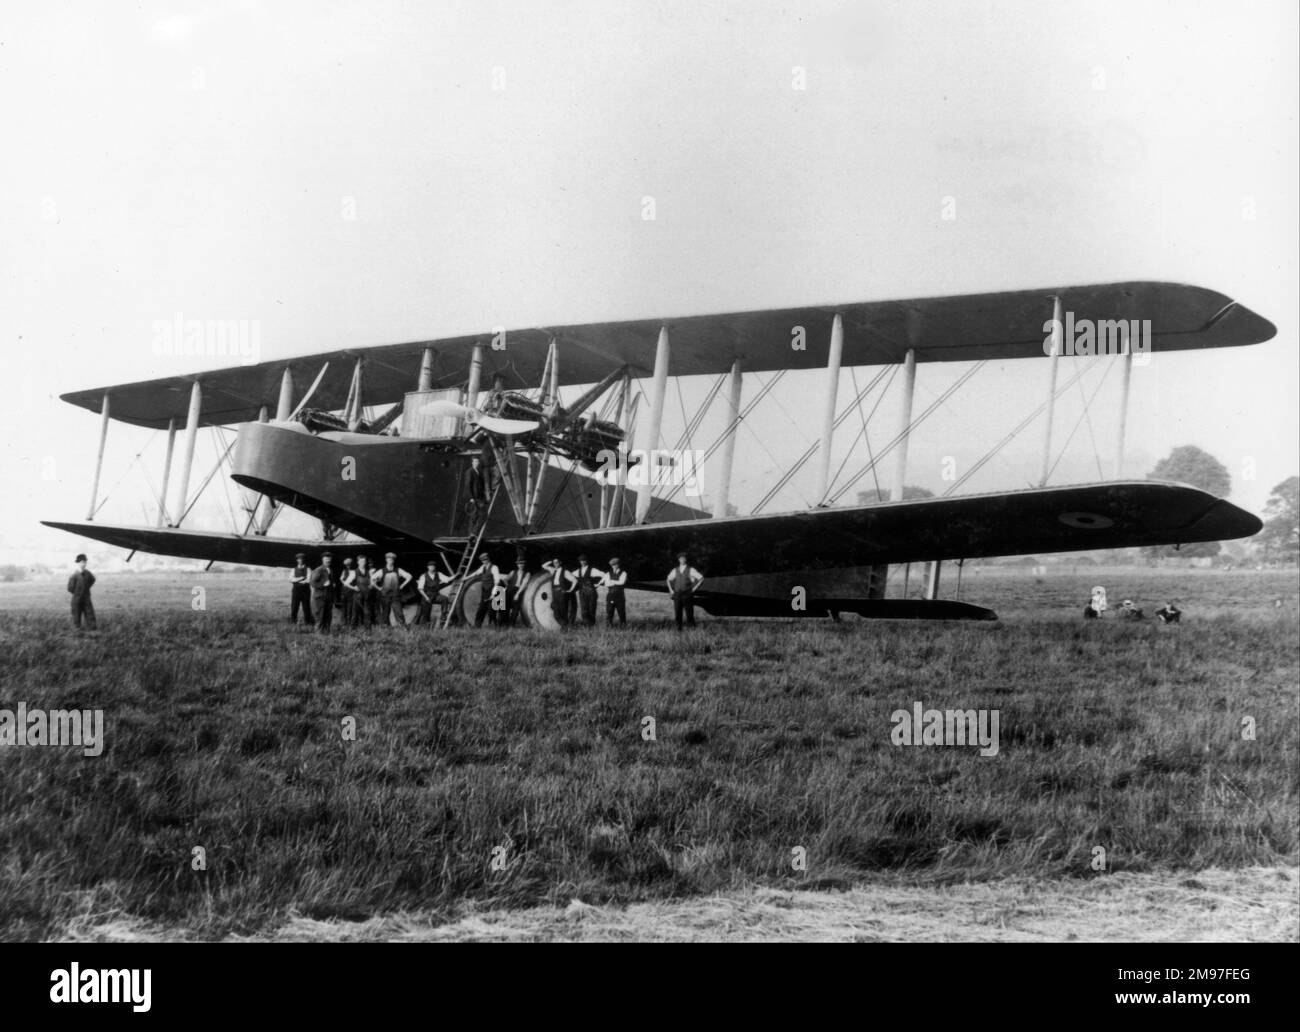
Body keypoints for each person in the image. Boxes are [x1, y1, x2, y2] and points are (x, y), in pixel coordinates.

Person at [666, 552, 704, 630]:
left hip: (687, 594)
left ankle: (692, 630)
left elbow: (701, 578)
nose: (682, 560)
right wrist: (671, 590)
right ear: (679, 560)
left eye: (684, 558)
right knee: (677, 613)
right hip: (677, 594)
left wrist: (694, 589)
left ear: (686, 559)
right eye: (681, 558)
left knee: (689, 613)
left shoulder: (691, 569)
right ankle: (678, 630)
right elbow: (668, 579)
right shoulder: (675, 570)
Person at [376, 552, 413, 628]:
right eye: (389, 559)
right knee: (385, 613)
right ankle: (385, 628)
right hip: (385, 596)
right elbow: (372, 580)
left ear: (394, 561)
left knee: (399, 612)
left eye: (392, 560)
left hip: (395, 596)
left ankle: (403, 628)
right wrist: (379, 588)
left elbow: (409, 576)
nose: (390, 561)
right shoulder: (381, 571)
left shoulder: (398, 570)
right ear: (386, 560)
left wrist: (402, 585)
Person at [472, 552, 504, 628]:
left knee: (493, 610)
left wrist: (493, 594)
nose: (484, 561)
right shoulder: (483, 567)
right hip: (485, 591)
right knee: (481, 609)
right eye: (483, 560)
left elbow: (497, 581)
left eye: (485, 560)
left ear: (488, 559)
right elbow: (476, 573)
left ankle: (497, 627)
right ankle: (477, 627)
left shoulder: (494, 567)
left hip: (494, 589)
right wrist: (466, 578)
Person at [542, 556, 575, 626]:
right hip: (555, 592)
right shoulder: (553, 570)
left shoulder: (565, 571)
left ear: (560, 563)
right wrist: (551, 561)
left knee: (563, 611)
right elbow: (544, 566)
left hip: (562, 592)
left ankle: (565, 628)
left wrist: (570, 590)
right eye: (554, 563)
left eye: (557, 562)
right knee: (556, 613)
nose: (555, 564)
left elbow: (574, 580)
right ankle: (564, 625)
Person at [67, 553, 97, 630]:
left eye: (85, 562)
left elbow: (92, 580)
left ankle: (92, 629)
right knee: (76, 614)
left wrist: (86, 588)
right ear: (78, 563)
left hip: (86, 598)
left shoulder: (88, 573)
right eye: (82, 562)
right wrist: (78, 592)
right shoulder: (74, 575)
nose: (83, 564)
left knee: (90, 613)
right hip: (77, 599)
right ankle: (77, 629)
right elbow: (70, 588)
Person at [573, 554, 602, 626]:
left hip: (591, 592)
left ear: (587, 561)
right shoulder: (577, 571)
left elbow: (604, 575)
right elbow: (569, 575)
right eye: (581, 561)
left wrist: (598, 584)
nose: (582, 562)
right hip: (582, 593)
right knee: (584, 610)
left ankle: (591, 625)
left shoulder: (592, 570)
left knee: (591, 609)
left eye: (584, 560)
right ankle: (586, 625)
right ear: (579, 562)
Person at [310, 552, 336, 633]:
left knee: (328, 616)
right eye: (326, 559)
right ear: (322, 559)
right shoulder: (319, 570)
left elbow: (329, 582)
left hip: (328, 597)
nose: (328, 560)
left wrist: (332, 584)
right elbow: (312, 583)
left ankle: (327, 634)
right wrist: (323, 584)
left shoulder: (330, 569)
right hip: (320, 597)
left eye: (329, 559)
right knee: (320, 617)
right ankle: (318, 637)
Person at [416, 560, 447, 626]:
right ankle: (424, 628)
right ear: (428, 567)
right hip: (426, 595)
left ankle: (443, 615)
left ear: (435, 567)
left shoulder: (438, 574)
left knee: (444, 599)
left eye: (433, 566)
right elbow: (420, 589)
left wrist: (455, 576)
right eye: (430, 566)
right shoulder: (423, 576)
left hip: (435, 595)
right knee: (426, 614)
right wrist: (426, 597)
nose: (432, 568)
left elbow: (447, 579)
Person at [350, 556, 376, 627]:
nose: (363, 563)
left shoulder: (368, 572)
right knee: (355, 614)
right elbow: (346, 583)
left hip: (367, 595)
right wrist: (353, 587)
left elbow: (372, 583)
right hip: (357, 596)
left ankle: (368, 630)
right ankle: (352, 630)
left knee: (367, 612)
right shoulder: (354, 572)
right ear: (358, 562)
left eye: (364, 561)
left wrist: (371, 585)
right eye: (361, 561)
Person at [602, 557, 628, 626]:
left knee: (621, 613)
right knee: (609, 613)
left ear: (618, 564)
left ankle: (623, 627)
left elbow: (622, 582)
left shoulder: (624, 573)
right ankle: (609, 627)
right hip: (610, 595)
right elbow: (606, 584)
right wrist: (615, 582)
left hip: (620, 596)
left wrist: (612, 581)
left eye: (615, 564)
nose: (614, 566)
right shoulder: (608, 573)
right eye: (612, 565)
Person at [505, 557, 530, 627]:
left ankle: (511, 625)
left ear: (524, 564)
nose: (521, 565)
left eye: (522, 564)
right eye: (519, 564)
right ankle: (505, 624)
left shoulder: (527, 574)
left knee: (515, 609)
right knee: (506, 607)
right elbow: (506, 579)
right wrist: (507, 585)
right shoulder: (513, 572)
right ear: (517, 565)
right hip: (510, 589)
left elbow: (524, 584)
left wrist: (517, 594)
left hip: (519, 590)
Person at [289, 552, 313, 625]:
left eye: (302, 559)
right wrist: (300, 578)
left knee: (306, 606)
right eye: (299, 559)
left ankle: (308, 622)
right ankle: (293, 621)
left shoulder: (308, 569)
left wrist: (298, 580)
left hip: (305, 590)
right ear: (297, 560)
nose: (300, 560)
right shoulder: (293, 569)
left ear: (304, 560)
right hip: (296, 590)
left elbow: (309, 580)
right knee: (294, 606)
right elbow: (290, 579)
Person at [339, 558, 357, 625]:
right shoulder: (344, 571)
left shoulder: (354, 571)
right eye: (347, 565)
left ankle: (349, 622)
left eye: (349, 565)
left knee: (350, 607)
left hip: (351, 591)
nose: (348, 566)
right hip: (344, 590)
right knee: (344, 606)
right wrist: (345, 583)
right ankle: (344, 622)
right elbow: (341, 579)